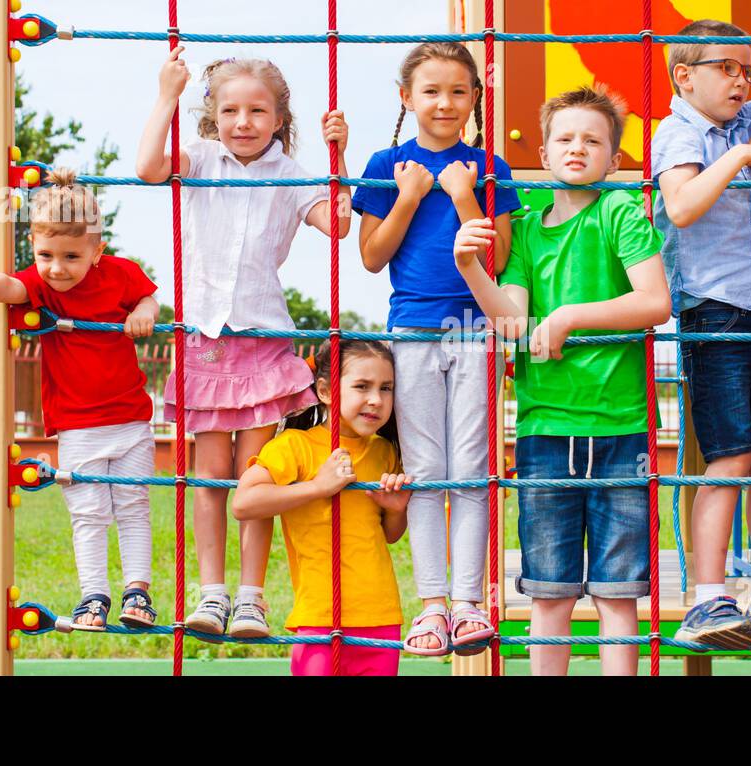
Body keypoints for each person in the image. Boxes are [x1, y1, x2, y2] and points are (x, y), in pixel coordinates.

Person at [451, 86, 670, 675]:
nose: (578, 148)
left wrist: (571, 316)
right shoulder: (524, 230)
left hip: (621, 429)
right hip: (545, 429)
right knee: (549, 593)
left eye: (593, 140)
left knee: (616, 594)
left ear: (614, 159)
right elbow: (511, 321)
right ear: (544, 153)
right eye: (566, 139)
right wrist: (470, 266)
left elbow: (655, 302)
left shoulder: (620, 212)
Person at [136, 50, 352, 639]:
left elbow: (337, 224)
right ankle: (212, 595)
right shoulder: (200, 159)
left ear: (279, 118)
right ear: (213, 116)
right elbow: (147, 168)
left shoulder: (293, 174)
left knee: (255, 476)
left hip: (261, 341)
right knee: (209, 474)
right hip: (206, 340)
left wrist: (339, 157)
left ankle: (251, 598)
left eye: (258, 110)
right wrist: (166, 95)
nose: (243, 121)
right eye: (230, 109)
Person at [352, 42, 521, 656]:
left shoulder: (488, 166)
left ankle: (471, 603)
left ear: (475, 98)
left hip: (474, 329)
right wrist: (409, 196)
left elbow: (498, 261)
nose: (445, 102)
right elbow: (372, 257)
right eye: (431, 91)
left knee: (471, 467)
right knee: (425, 469)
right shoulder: (386, 163)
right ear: (407, 98)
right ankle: (432, 606)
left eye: (458, 91)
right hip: (414, 330)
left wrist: (463, 195)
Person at [0, 167, 160, 632]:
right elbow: (11, 286)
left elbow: (148, 299)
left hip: (130, 420)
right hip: (77, 425)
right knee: (88, 513)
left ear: (98, 250)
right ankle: (93, 596)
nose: (56, 267)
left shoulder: (121, 275)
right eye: (45, 254)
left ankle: (138, 591)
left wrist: (143, 312)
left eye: (71, 256)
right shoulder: (41, 285)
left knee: (134, 505)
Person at [653, 19, 751, 649]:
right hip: (712, 312)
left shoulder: (742, 119)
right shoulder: (679, 131)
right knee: (730, 454)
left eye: (746, 70)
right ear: (684, 76)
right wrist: (743, 156)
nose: (742, 80)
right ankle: (707, 598)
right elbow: (682, 206)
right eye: (727, 68)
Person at [233, 340, 412, 676]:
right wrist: (317, 487)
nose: (376, 399)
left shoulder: (385, 451)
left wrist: (396, 510)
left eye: (386, 388)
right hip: (320, 616)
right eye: (362, 386)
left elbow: (390, 535)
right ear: (327, 390)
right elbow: (244, 503)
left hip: (382, 615)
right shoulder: (295, 446)